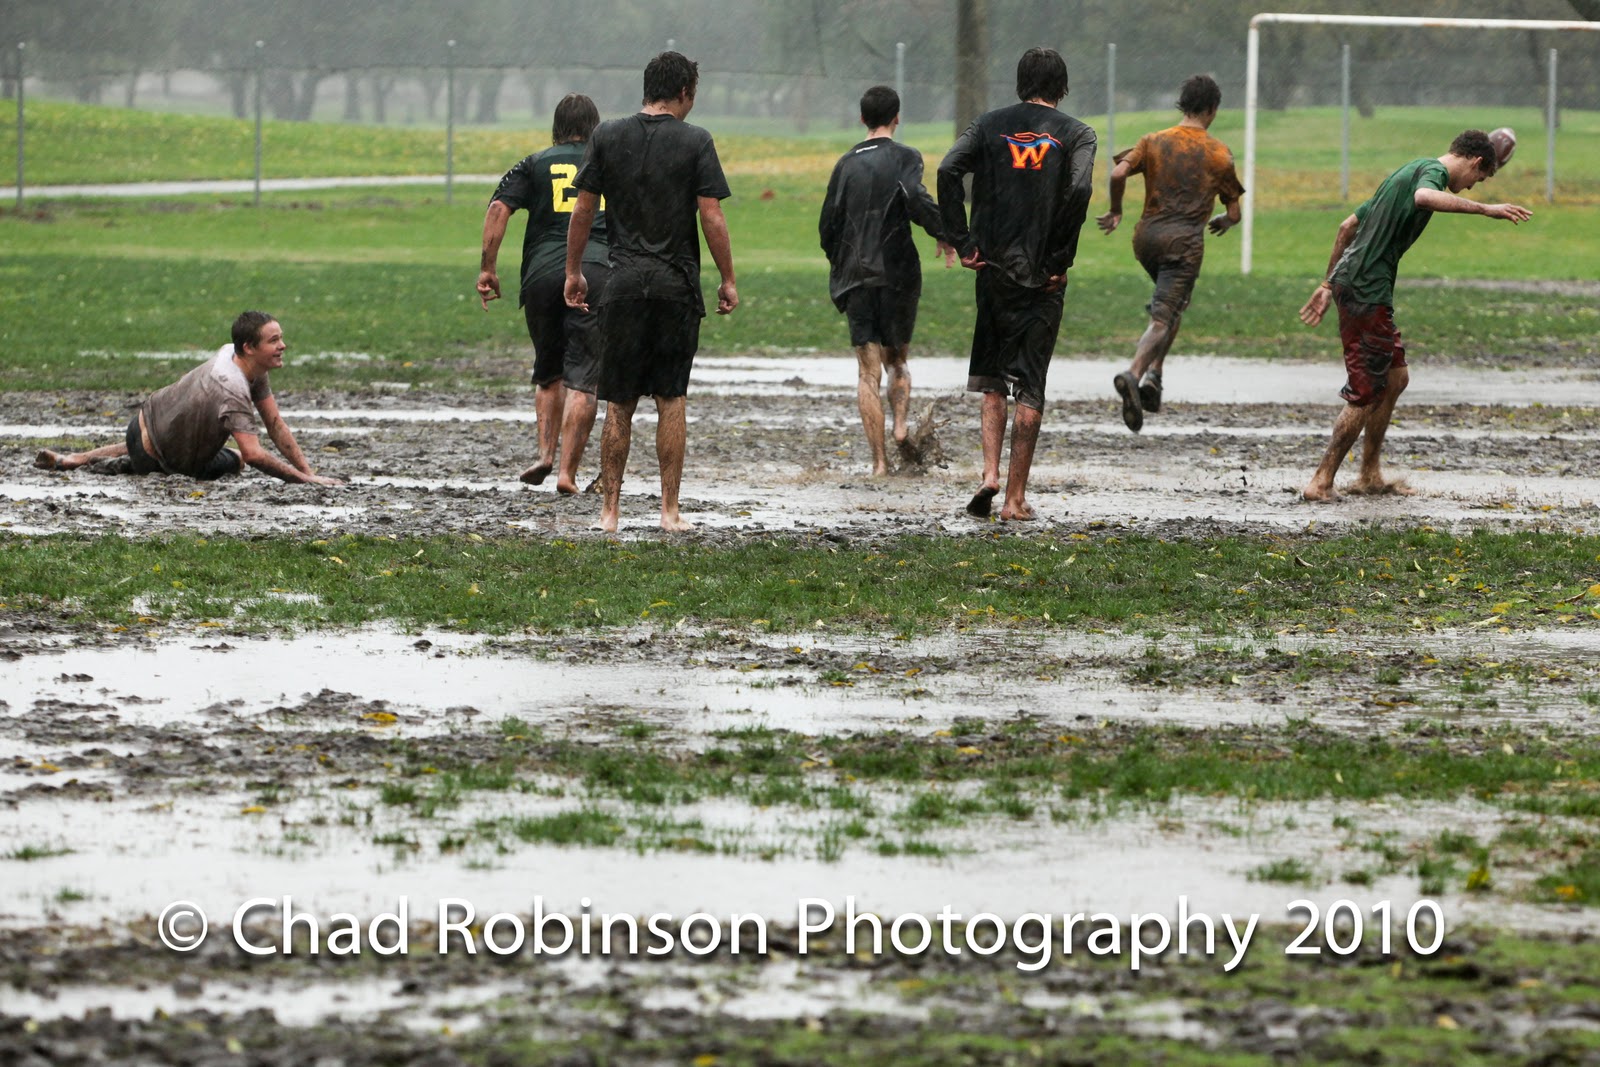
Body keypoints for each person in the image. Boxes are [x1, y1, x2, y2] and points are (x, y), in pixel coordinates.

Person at [1299, 130, 1530, 502]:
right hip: (1365, 291)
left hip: (1358, 285)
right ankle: (1321, 482)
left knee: (1395, 378)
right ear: (1476, 162)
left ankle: (1370, 473)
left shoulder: (1405, 172)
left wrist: (1328, 284)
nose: (1471, 189)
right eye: (1479, 180)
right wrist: (1487, 210)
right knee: (1364, 392)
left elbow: (1347, 226)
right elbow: (1426, 198)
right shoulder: (1429, 176)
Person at [563, 51, 737, 533]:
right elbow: (711, 216)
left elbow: (583, 210)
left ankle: (610, 512)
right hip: (675, 287)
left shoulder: (607, 135)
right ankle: (669, 511)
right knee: (671, 398)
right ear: (684, 92)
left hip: (620, 284)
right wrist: (727, 278)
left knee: (618, 402)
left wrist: (574, 271)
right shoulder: (696, 141)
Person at [937, 47, 1096, 521]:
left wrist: (963, 241)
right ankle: (1013, 499)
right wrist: (1059, 257)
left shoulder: (988, 125)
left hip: (993, 269)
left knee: (992, 381)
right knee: (1030, 383)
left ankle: (988, 473)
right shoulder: (1076, 134)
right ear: (1062, 87)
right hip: (1042, 277)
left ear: (1020, 84)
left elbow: (947, 169)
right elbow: (1082, 187)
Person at [33, 311, 341, 486]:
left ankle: (76, 458)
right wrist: (306, 481)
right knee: (235, 460)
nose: (283, 345)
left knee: (179, 434)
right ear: (249, 347)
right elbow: (255, 455)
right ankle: (119, 465)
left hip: (139, 425)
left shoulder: (231, 354)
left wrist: (308, 471)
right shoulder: (233, 391)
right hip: (156, 458)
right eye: (274, 340)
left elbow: (274, 424)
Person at [477, 93, 610, 495]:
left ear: (556, 126)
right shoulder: (606, 161)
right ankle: (568, 472)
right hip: (596, 270)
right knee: (584, 377)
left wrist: (488, 267)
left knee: (548, 371)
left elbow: (499, 208)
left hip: (542, 275)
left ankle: (545, 454)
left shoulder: (533, 163)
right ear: (594, 128)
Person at [819, 85, 955, 476]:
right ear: (897, 117)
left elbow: (827, 225)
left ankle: (878, 463)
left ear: (862, 118)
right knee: (898, 361)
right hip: (897, 273)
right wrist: (943, 232)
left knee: (867, 371)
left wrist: (841, 263)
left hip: (856, 276)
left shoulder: (845, 164)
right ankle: (899, 427)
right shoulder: (906, 157)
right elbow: (913, 197)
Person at [1096, 73, 1244, 433]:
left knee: (1175, 302)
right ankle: (1134, 374)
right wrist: (1224, 220)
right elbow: (1235, 213)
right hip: (1183, 246)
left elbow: (1117, 173)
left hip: (1146, 240)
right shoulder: (1219, 154)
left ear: (1183, 105)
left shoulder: (1153, 141)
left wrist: (1116, 210)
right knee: (1163, 317)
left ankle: (1155, 379)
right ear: (1212, 109)